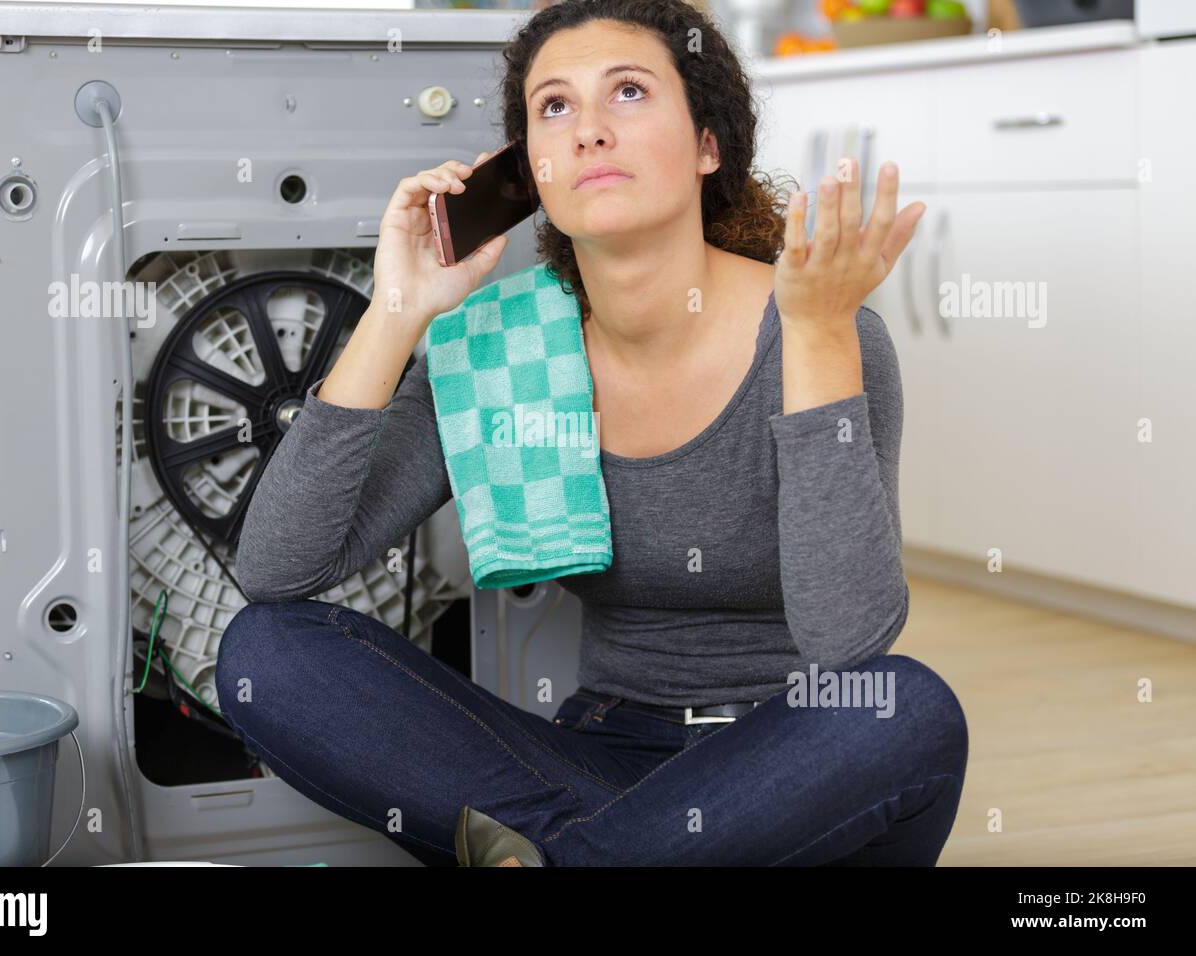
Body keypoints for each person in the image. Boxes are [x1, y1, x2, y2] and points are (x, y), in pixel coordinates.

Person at [216, 0, 967, 867]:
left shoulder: (817, 326)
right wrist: (396, 313)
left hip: (790, 782)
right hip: (597, 773)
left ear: (707, 146)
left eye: (631, 92)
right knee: (266, 651)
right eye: (556, 107)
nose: (590, 132)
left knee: (903, 706)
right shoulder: (497, 350)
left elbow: (847, 646)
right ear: (530, 170)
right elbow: (280, 570)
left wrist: (824, 337)